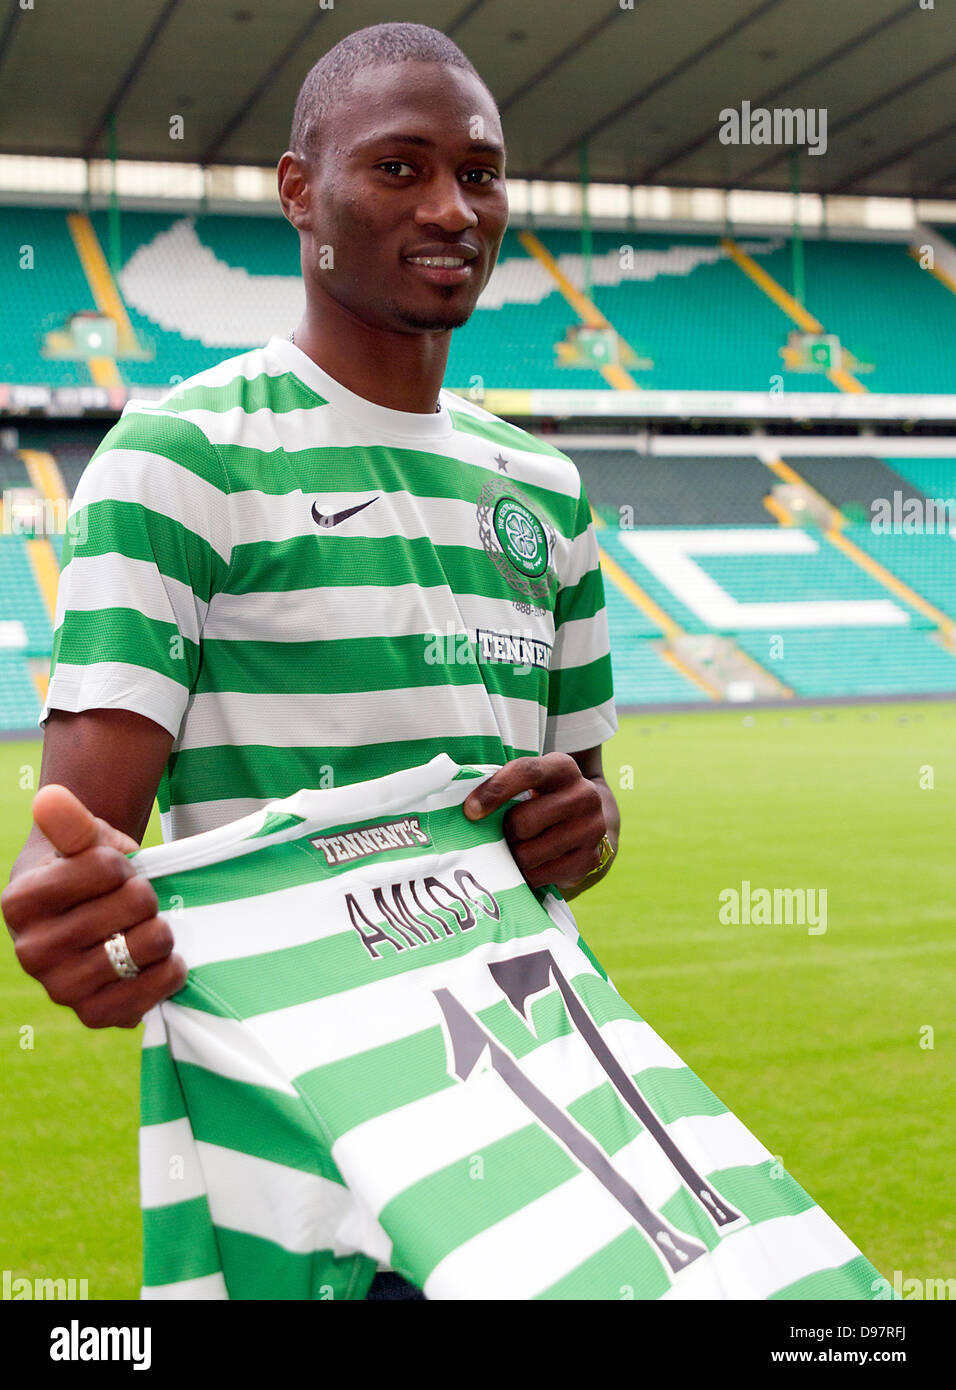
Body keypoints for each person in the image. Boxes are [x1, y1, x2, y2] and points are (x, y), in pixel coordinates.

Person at [2, 22, 619, 1300]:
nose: (452, 206)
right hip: (301, 1152)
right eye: (399, 169)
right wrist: (79, 920)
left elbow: (588, 818)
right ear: (301, 192)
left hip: (546, 1131)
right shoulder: (184, 455)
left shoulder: (547, 491)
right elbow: (81, 847)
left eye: (481, 173)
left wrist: (584, 827)